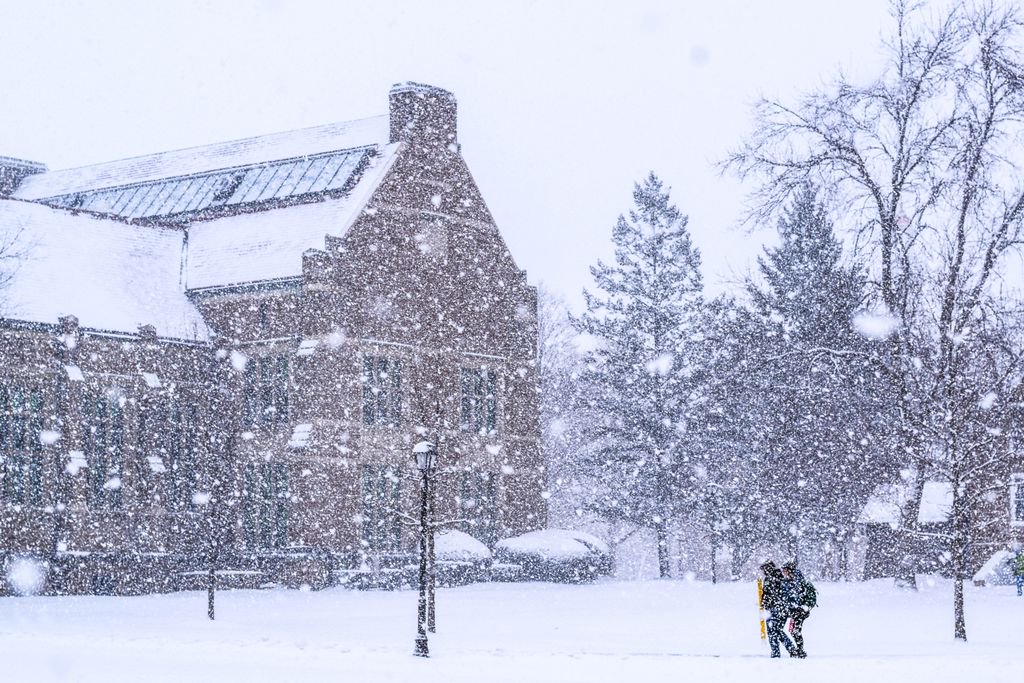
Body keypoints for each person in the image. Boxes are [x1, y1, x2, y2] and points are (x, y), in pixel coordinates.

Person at [760, 561, 796, 658]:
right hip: (778, 607)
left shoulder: (772, 578)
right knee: (776, 630)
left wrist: (765, 602)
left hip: (775, 608)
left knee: (773, 631)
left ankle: (778, 651)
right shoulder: (778, 577)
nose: (763, 571)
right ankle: (789, 648)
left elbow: (770, 594)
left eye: (764, 569)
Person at [782, 560, 814, 658]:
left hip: (800, 612)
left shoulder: (801, 583)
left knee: (795, 631)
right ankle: (799, 650)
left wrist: (804, 608)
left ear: (790, 570)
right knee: (793, 630)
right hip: (793, 611)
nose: (784, 573)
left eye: (785, 570)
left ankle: (800, 650)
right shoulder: (787, 582)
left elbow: (810, 598)